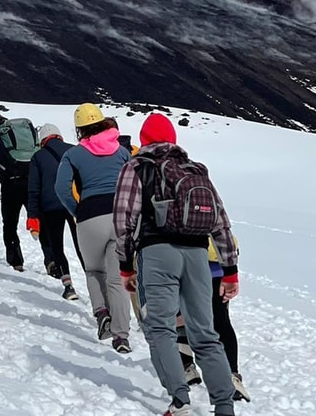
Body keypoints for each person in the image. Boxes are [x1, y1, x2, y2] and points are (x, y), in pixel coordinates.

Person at [114, 113, 240, 416]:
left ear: (144, 140)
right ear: (174, 140)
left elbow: (123, 219)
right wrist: (230, 270)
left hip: (157, 252)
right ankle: (224, 405)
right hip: (197, 254)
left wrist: (125, 265)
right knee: (205, 332)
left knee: (161, 329)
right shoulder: (195, 169)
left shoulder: (136, 167)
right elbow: (220, 222)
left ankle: (180, 401)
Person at [53, 103, 133, 353]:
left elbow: (61, 188)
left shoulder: (73, 155)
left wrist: (76, 210)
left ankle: (102, 315)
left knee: (93, 271)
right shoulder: (121, 151)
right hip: (120, 217)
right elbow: (134, 181)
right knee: (117, 279)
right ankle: (122, 337)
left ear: (79, 129)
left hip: (89, 217)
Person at [177, 235, 250, 402]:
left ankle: (187, 367)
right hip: (218, 270)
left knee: (181, 317)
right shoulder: (215, 209)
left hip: (188, 267)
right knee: (221, 321)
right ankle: (232, 374)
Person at [27, 123, 89, 301]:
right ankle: (94, 283)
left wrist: (33, 216)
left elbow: (33, 189)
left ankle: (68, 286)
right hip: (76, 205)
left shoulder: (37, 157)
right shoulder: (74, 150)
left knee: (57, 247)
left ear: (42, 140)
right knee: (82, 246)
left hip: (50, 208)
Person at [0, 114, 40, 271]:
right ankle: (52, 261)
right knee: (42, 222)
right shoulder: (24, 140)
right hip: (32, 183)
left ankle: (16, 262)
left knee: (10, 225)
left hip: (10, 187)